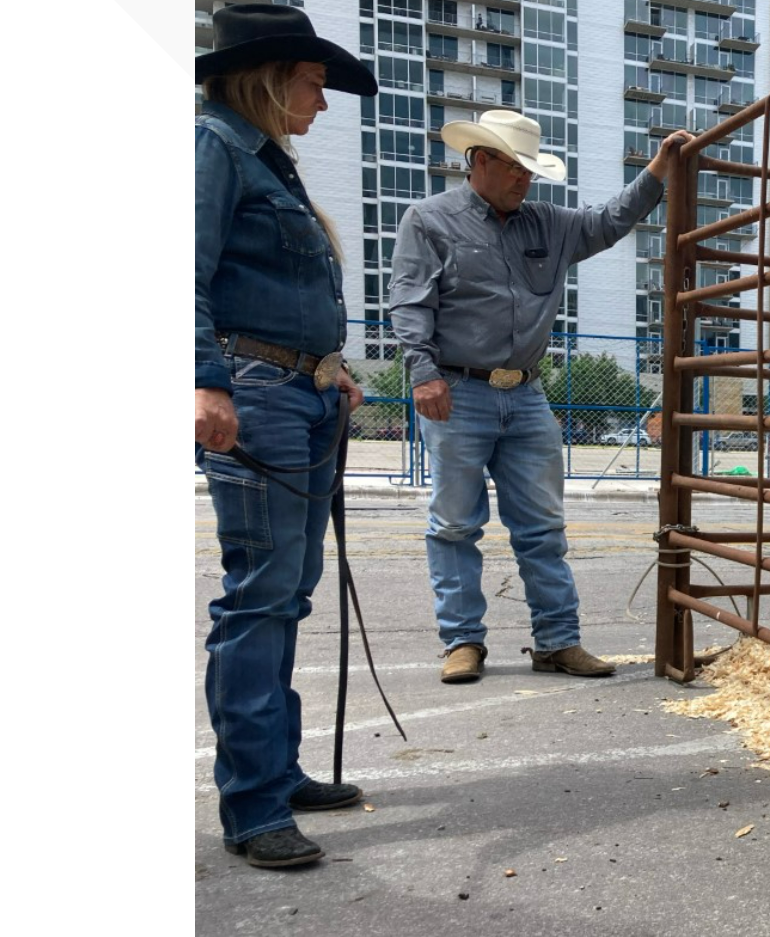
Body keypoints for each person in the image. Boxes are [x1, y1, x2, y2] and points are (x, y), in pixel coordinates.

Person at [389, 111, 692, 684]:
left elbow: (610, 220)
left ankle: (557, 640)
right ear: (479, 161)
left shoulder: (548, 224)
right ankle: (462, 641)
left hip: (525, 394)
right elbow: (410, 301)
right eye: (512, 167)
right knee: (454, 523)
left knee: (543, 527)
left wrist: (657, 170)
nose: (524, 180)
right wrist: (421, 371)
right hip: (456, 389)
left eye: (528, 169)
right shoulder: (429, 220)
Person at [195, 5, 374, 869]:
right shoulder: (215, 149)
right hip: (256, 389)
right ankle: (255, 804)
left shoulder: (261, 162)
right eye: (314, 82)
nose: (323, 101)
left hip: (298, 389)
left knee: (285, 592)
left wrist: (328, 369)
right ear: (268, 76)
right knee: (262, 596)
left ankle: (276, 770)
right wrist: (202, 380)